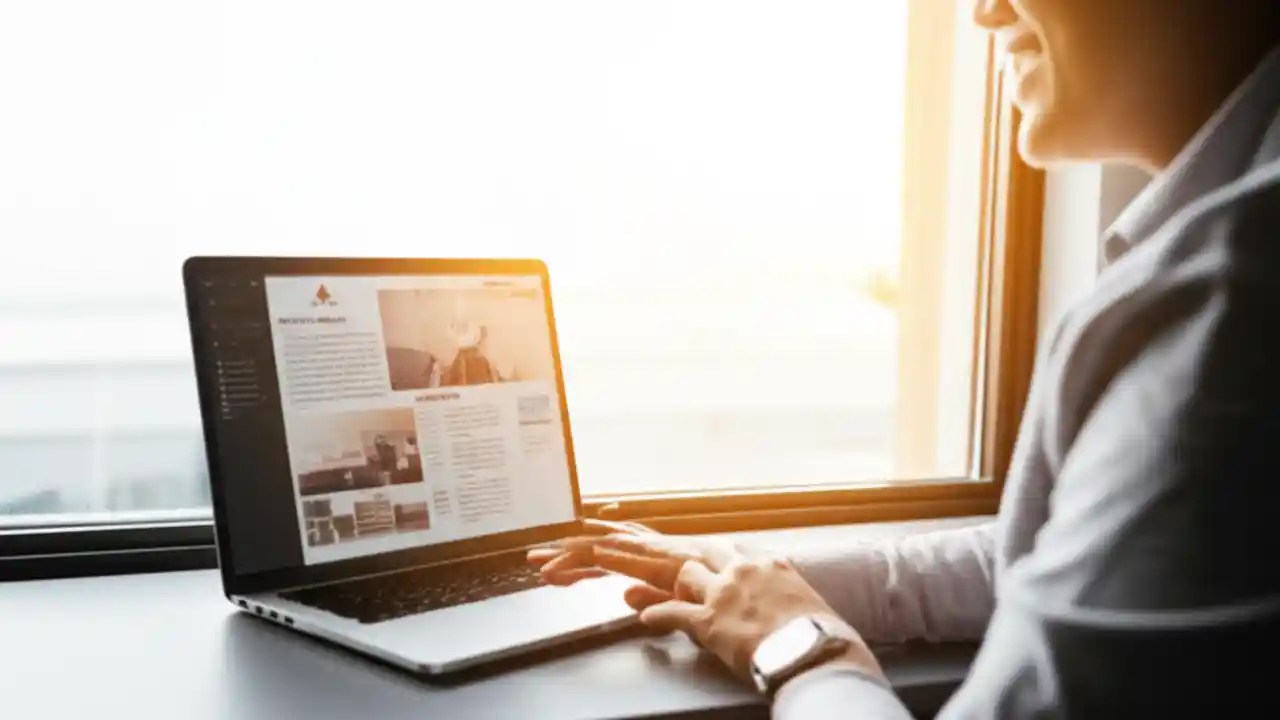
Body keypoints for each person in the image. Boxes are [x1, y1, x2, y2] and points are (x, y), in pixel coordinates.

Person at [529, 1, 1280, 716]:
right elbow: (1052, 552)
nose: (985, 11)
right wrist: (758, 580)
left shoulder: (1234, 307)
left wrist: (806, 655)